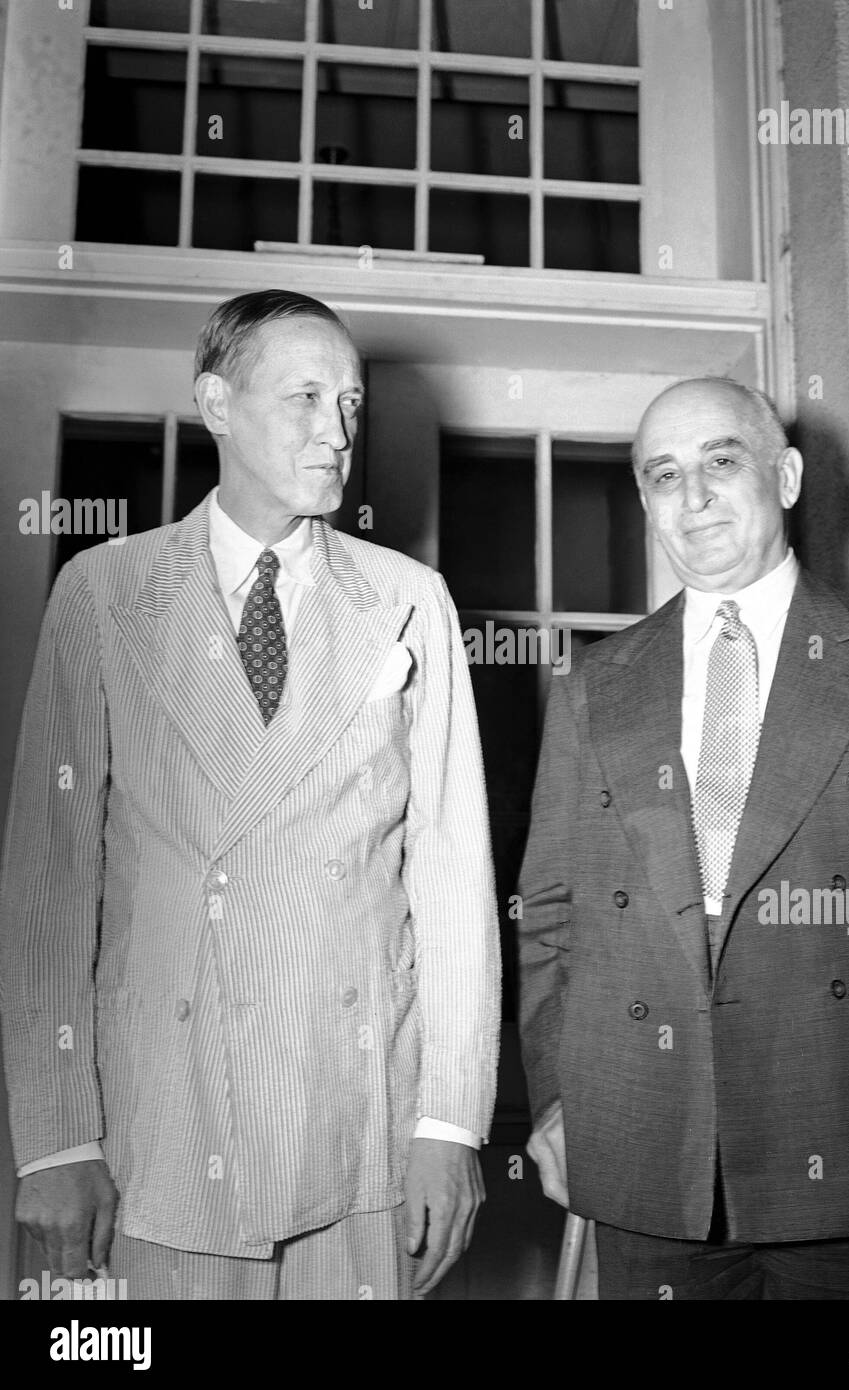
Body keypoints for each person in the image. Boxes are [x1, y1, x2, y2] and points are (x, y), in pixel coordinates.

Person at [0, 289, 500, 1300]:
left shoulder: (410, 600)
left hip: (358, 1128)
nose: (337, 431)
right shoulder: (103, 592)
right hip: (159, 1129)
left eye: (350, 402)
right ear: (216, 404)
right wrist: (57, 1141)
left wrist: (450, 1123)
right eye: (305, 396)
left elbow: (454, 880)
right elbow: (51, 884)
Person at [518, 376, 849, 1300]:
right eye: (662, 474)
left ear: (787, 477)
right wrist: (558, 1095)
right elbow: (551, 913)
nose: (692, 496)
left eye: (721, 461)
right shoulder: (593, 683)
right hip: (647, 1158)